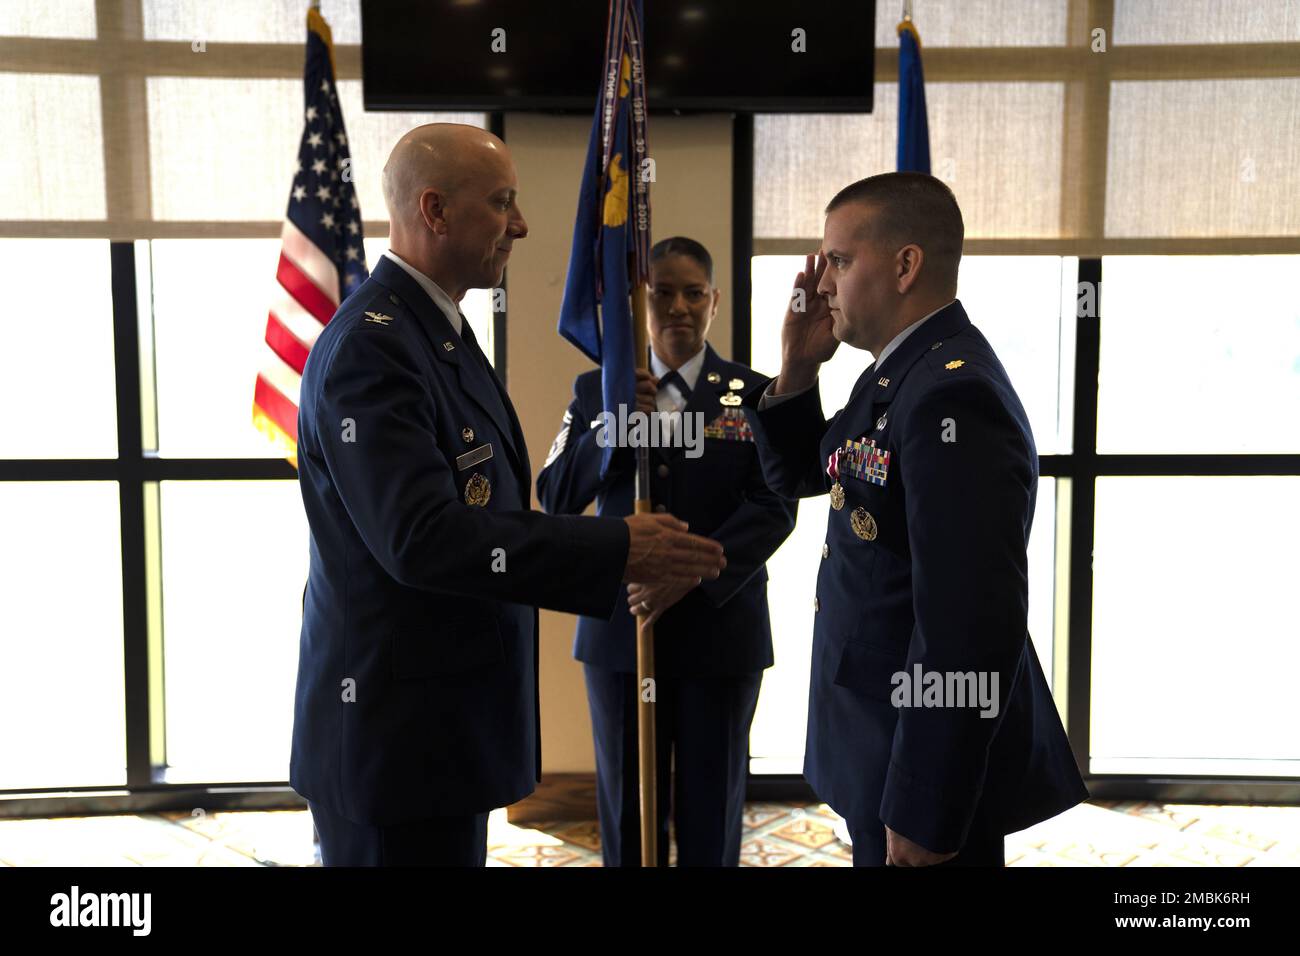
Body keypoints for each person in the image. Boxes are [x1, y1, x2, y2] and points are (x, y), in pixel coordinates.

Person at [290, 124, 726, 867]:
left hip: (441, 732)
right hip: (394, 745)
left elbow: (488, 509)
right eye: (502, 203)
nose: (521, 225)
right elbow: (423, 537)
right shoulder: (375, 346)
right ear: (434, 210)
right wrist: (620, 546)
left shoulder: (436, 330)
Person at [742, 172, 1087, 866]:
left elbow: (968, 627)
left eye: (839, 260)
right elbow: (808, 474)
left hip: (917, 762)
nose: (823, 285)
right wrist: (797, 371)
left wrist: (927, 802)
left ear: (905, 265)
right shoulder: (898, 374)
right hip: (877, 739)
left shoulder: (950, 394)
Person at [537, 237, 796, 866]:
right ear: (639, 302)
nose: (677, 306)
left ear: (714, 302)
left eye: (693, 292)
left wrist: (690, 571)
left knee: (713, 802)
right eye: (662, 293)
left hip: (720, 628)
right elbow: (554, 495)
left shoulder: (753, 394)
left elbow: (775, 505)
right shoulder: (596, 390)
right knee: (627, 806)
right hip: (623, 632)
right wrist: (613, 426)